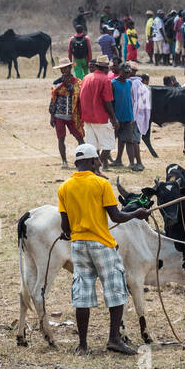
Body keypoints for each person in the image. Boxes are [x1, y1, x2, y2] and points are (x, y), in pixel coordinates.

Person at [57, 142, 149, 356]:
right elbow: (116, 217)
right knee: (116, 289)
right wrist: (137, 214)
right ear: (90, 161)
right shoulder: (101, 184)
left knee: (82, 292)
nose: (98, 163)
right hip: (102, 244)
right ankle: (114, 340)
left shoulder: (64, 188)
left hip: (78, 246)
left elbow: (65, 226)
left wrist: (68, 233)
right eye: (96, 160)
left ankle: (82, 344)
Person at [78, 58, 119, 169]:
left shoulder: (86, 78)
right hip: (101, 118)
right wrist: (114, 119)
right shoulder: (105, 80)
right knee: (108, 144)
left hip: (87, 117)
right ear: (105, 68)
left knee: (92, 146)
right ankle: (97, 166)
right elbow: (107, 102)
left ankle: (93, 167)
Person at [50, 60, 84, 168]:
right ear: (60, 70)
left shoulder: (77, 82)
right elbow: (53, 100)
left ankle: (82, 160)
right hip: (59, 115)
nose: (65, 70)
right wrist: (52, 116)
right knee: (61, 138)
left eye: (67, 68)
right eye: (63, 69)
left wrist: (68, 85)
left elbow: (77, 96)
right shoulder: (56, 83)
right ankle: (64, 161)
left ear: (70, 68)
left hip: (73, 116)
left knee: (80, 138)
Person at [111, 62, 142, 172]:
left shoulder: (129, 83)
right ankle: (105, 160)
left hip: (128, 117)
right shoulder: (113, 83)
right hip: (117, 117)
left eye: (128, 72)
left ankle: (131, 163)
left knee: (128, 140)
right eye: (125, 72)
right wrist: (113, 118)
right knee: (111, 140)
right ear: (120, 71)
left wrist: (133, 116)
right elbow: (110, 102)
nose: (127, 74)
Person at [130, 70, 152, 154]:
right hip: (140, 117)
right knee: (135, 139)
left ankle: (137, 161)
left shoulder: (135, 84)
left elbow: (136, 103)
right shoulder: (144, 87)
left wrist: (133, 118)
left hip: (136, 117)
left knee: (134, 140)